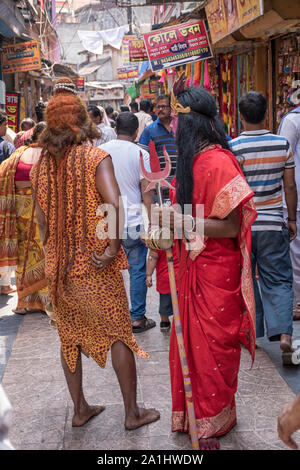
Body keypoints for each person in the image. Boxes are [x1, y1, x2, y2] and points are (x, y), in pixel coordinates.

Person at [31, 78, 160, 429]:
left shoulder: (42, 164)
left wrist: (53, 255)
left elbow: (41, 219)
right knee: (119, 332)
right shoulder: (94, 157)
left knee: (68, 336)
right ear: (83, 120)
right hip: (94, 264)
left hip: (61, 267)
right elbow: (115, 205)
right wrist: (113, 247)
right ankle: (132, 413)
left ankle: (79, 408)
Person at [153, 87, 257, 450]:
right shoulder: (191, 160)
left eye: (179, 120)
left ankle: (214, 418)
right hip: (190, 267)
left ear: (192, 123)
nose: (174, 126)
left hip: (215, 272)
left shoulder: (218, 162)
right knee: (190, 346)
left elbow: (230, 227)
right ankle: (195, 415)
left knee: (214, 347)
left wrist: (181, 222)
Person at [229, 91, 298, 365]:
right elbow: (290, 186)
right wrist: (291, 218)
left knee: (246, 277)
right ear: (266, 114)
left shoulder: (232, 148)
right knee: (279, 278)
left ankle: (253, 332)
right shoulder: (282, 144)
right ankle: (282, 332)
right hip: (272, 223)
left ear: (241, 116)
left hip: (244, 226)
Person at [99, 112, 156, 333]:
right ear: (136, 132)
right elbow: (147, 192)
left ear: (115, 129)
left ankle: (110, 317)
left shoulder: (101, 152)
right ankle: (137, 318)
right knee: (137, 270)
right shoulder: (141, 154)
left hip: (105, 221)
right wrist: (152, 222)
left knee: (107, 270)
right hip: (133, 220)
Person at [0, 122, 49, 314]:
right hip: (44, 210)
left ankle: (23, 303)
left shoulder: (18, 155)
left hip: (20, 211)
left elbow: (3, 173)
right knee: (46, 253)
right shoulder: (50, 156)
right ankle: (47, 302)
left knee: (24, 254)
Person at [278, 105, 300, 320]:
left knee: (296, 253)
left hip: (295, 198)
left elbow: (283, 159)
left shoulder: (292, 120)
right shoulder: (294, 120)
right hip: (295, 197)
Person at [139, 94, 178, 193]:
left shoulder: (180, 126)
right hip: (160, 187)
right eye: (158, 107)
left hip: (180, 183)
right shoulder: (149, 130)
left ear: (172, 108)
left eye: (164, 106)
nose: (160, 109)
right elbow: (142, 156)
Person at [146, 245, 179, 332]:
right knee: (181, 303)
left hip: (165, 278)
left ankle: (165, 322)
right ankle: (178, 322)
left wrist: (149, 275)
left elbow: (152, 256)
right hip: (180, 277)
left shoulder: (158, 238)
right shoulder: (182, 234)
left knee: (165, 304)